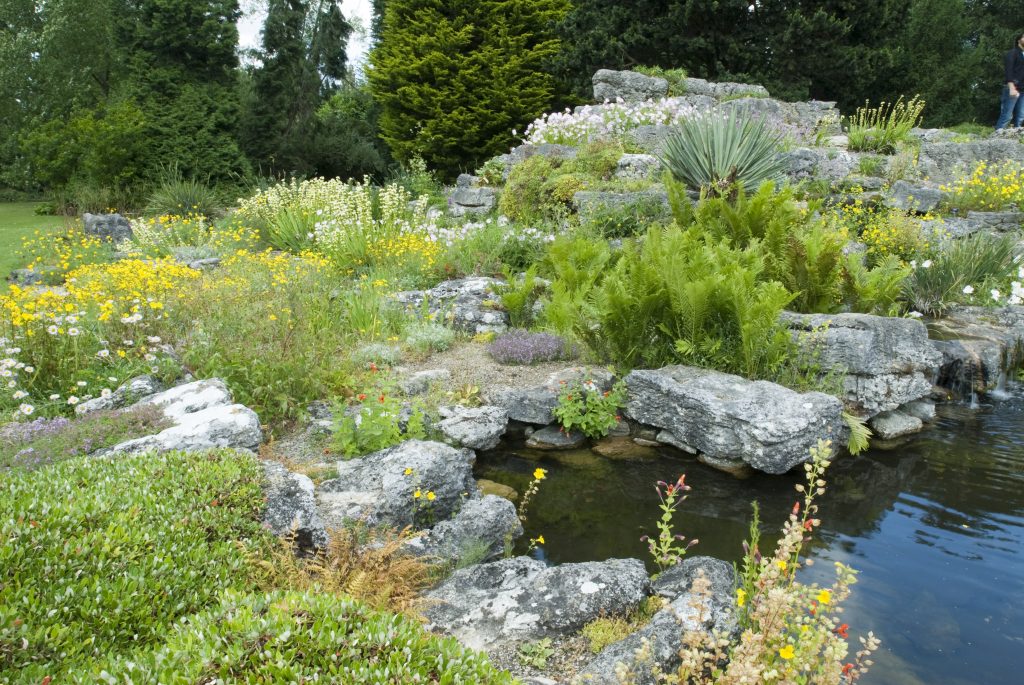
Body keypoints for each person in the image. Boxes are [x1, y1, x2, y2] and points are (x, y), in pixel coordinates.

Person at [996, 32, 1024, 130]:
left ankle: (1016, 141)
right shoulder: (1012, 53)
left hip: (1023, 89)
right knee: (1006, 116)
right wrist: (1012, 88)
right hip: (1012, 88)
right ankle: (996, 139)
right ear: (1018, 40)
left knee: (1021, 117)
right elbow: (1009, 71)